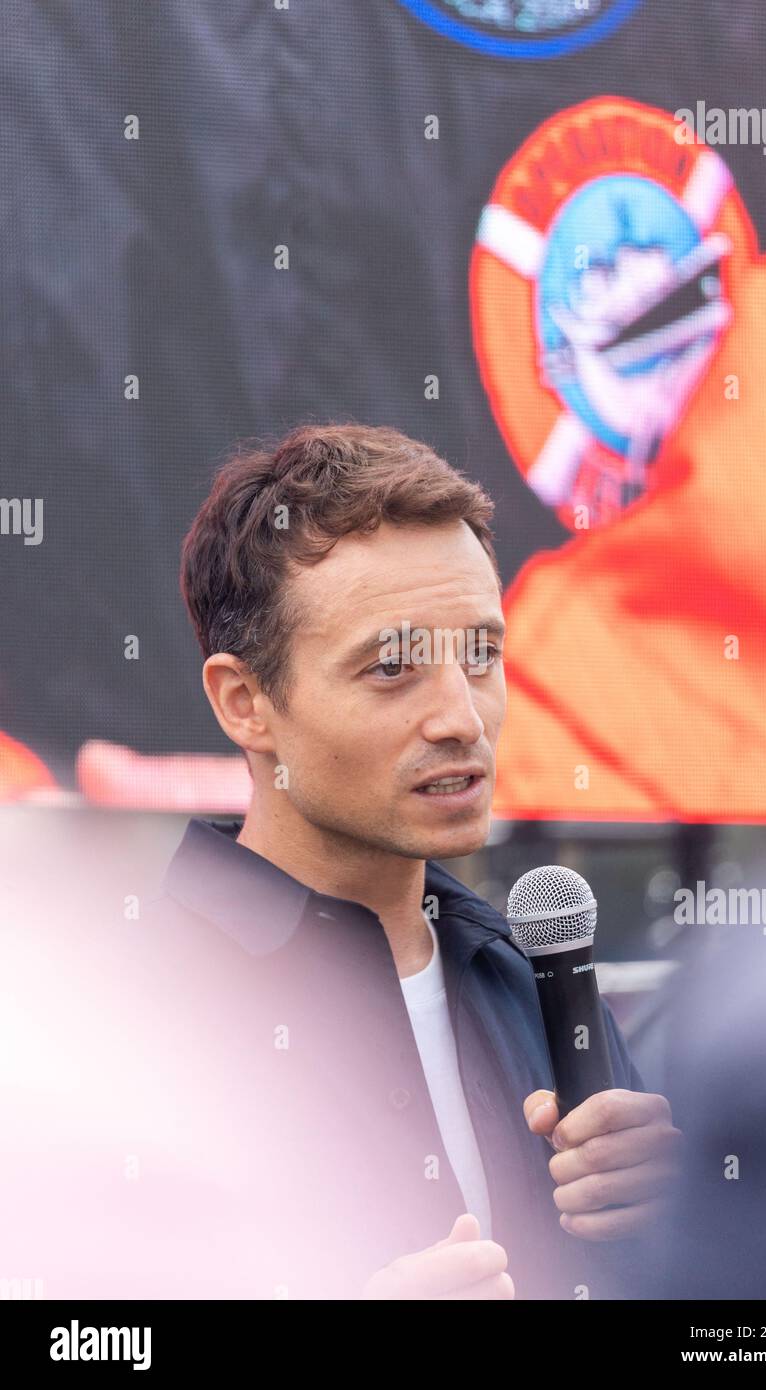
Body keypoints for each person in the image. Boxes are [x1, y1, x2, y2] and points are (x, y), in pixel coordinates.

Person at [47, 423, 678, 1300]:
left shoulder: (532, 976)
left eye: (482, 654)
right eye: (393, 668)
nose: (462, 716)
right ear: (246, 703)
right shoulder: (111, 1021)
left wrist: (674, 1234)